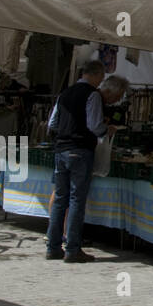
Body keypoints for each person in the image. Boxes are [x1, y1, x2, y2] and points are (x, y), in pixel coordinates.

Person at [46, 60, 114, 262]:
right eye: (101, 77)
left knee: (60, 199)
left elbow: (52, 123)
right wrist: (106, 130)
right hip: (80, 150)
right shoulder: (91, 95)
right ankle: (73, 248)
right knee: (76, 200)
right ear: (95, 75)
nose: (101, 81)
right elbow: (94, 125)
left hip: (61, 150)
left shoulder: (65, 93)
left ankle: (53, 246)